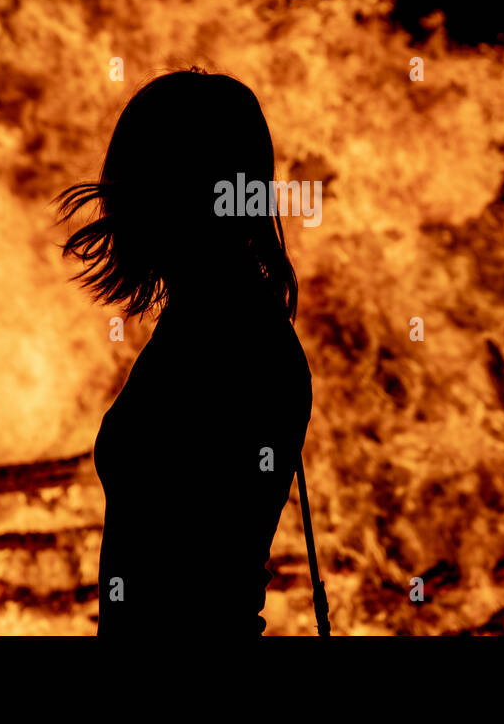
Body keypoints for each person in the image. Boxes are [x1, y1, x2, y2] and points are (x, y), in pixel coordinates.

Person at [55, 69, 313, 635]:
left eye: (134, 178)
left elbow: (194, 584)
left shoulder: (226, 339)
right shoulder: (217, 322)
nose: (115, 202)